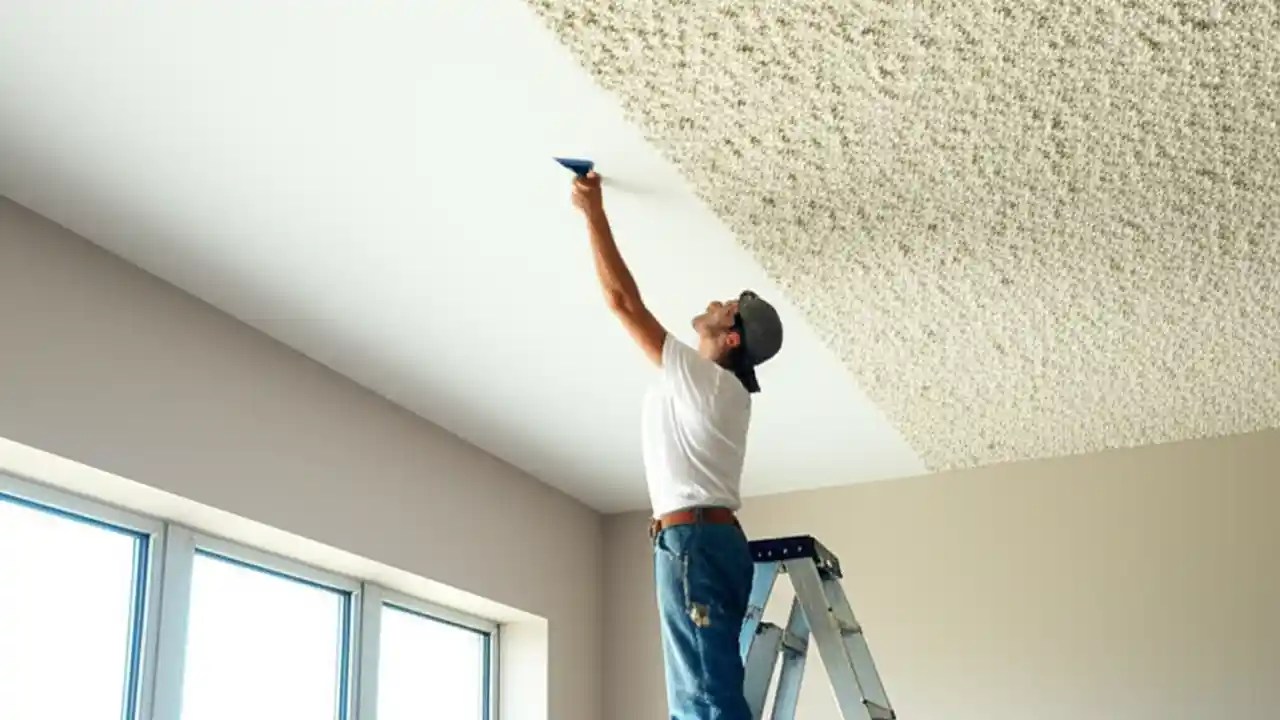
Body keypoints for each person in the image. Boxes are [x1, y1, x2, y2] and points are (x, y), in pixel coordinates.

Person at [571, 171, 784, 719]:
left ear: (731, 336)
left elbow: (623, 303)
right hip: (706, 542)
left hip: (694, 541)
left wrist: (593, 212)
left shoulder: (710, 382)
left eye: (726, 306)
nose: (715, 302)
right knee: (708, 693)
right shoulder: (721, 391)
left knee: (704, 701)